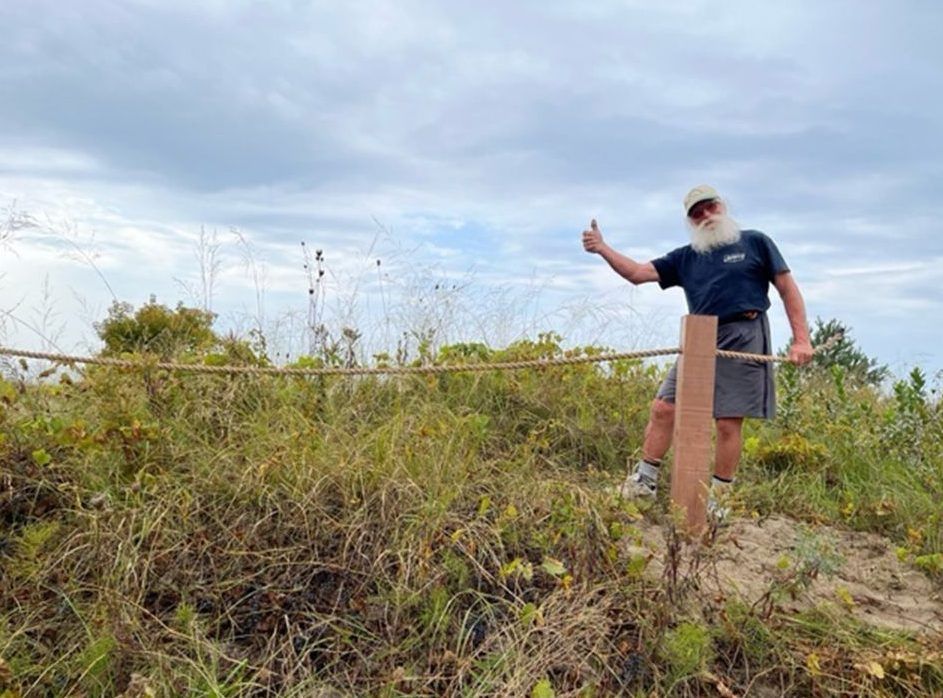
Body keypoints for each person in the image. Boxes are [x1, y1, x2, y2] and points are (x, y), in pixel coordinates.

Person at [581, 184, 813, 519]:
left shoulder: (755, 242)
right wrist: (603, 248)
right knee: (663, 407)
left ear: (722, 205)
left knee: (728, 424)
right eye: (696, 212)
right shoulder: (686, 257)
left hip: (744, 332)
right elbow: (637, 273)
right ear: (690, 220)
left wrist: (801, 339)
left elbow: (788, 289)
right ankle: (643, 485)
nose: (705, 215)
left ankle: (719, 500)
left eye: (709, 206)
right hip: (699, 337)